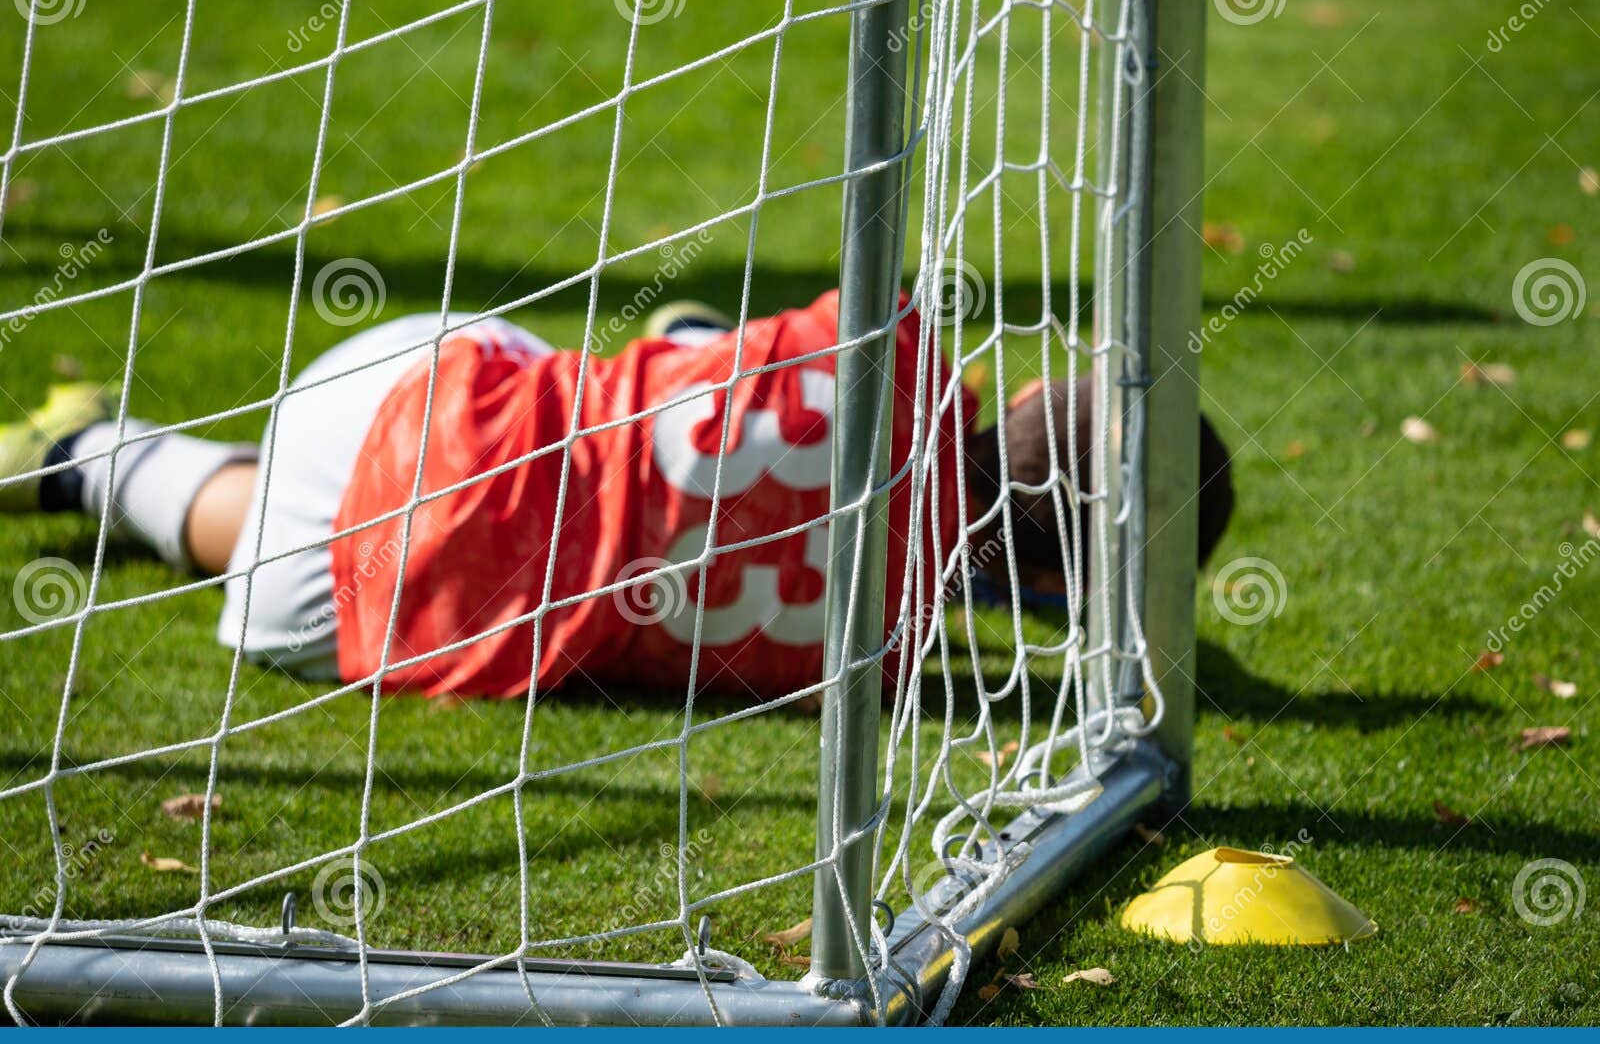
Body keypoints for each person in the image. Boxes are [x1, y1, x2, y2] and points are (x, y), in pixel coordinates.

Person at [1, 293, 1232, 701]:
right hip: (375, 594)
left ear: (1021, 392)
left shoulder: (896, 348)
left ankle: (90, 448)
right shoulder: (887, 655)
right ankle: (100, 461)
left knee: (564, 425)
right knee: (295, 544)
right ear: (1053, 585)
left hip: (418, 374)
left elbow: (730, 343)